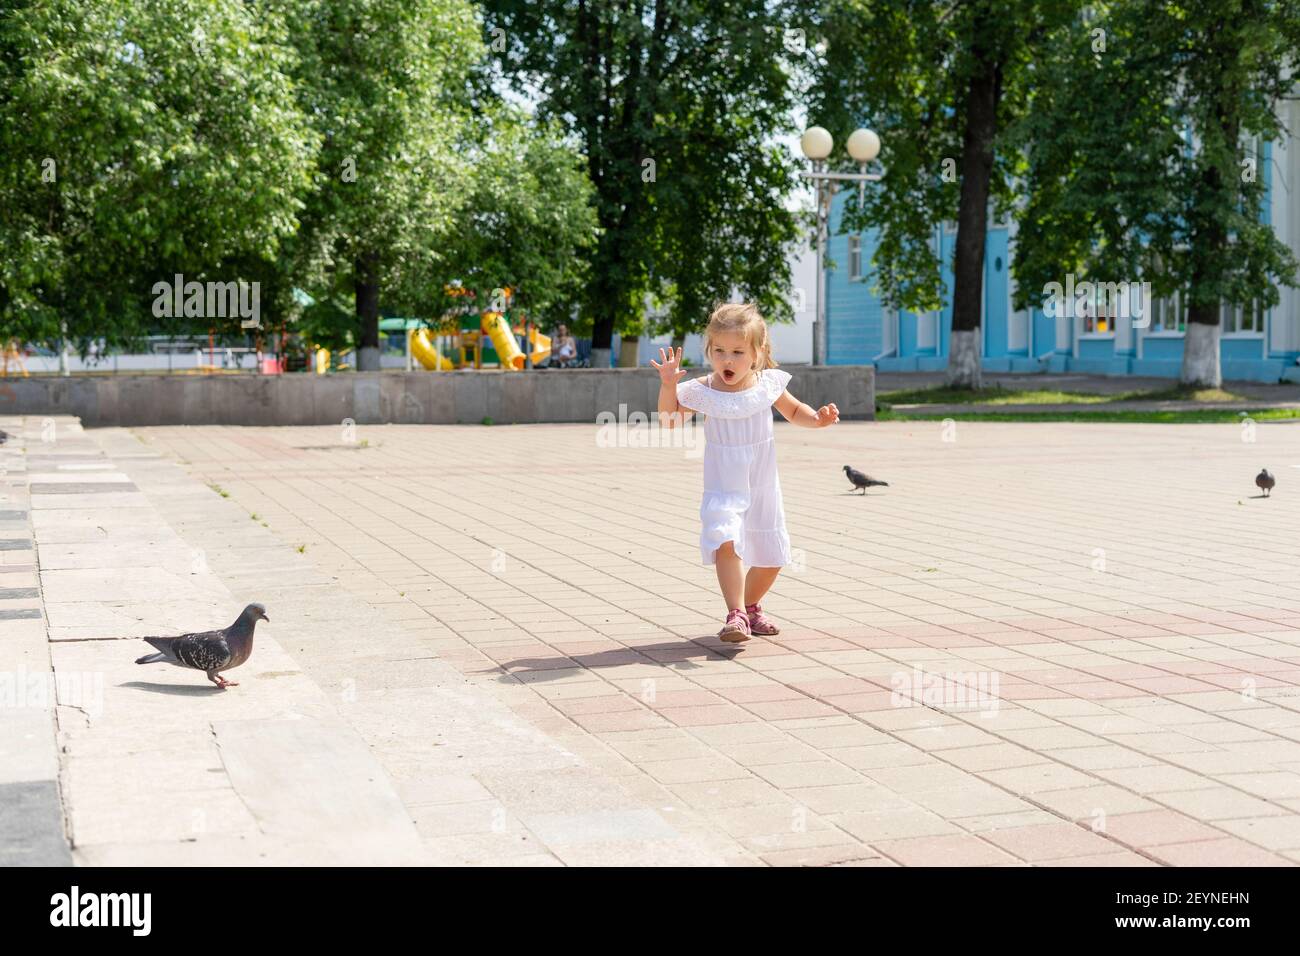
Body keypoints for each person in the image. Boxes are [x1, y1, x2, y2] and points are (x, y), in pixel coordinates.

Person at [651, 302, 840, 643]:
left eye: (738, 351)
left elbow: (794, 410)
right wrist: (668, 386)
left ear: (757, 353)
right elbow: (669, 420)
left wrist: (817, 419)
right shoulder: (703, 390)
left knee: (771, 556)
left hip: (762, 485)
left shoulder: (767, 385)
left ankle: (751, 607)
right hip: (724, 485)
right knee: (726, 540)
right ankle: (735, 614)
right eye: (719, 350)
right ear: (709, 351)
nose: (728, 359)